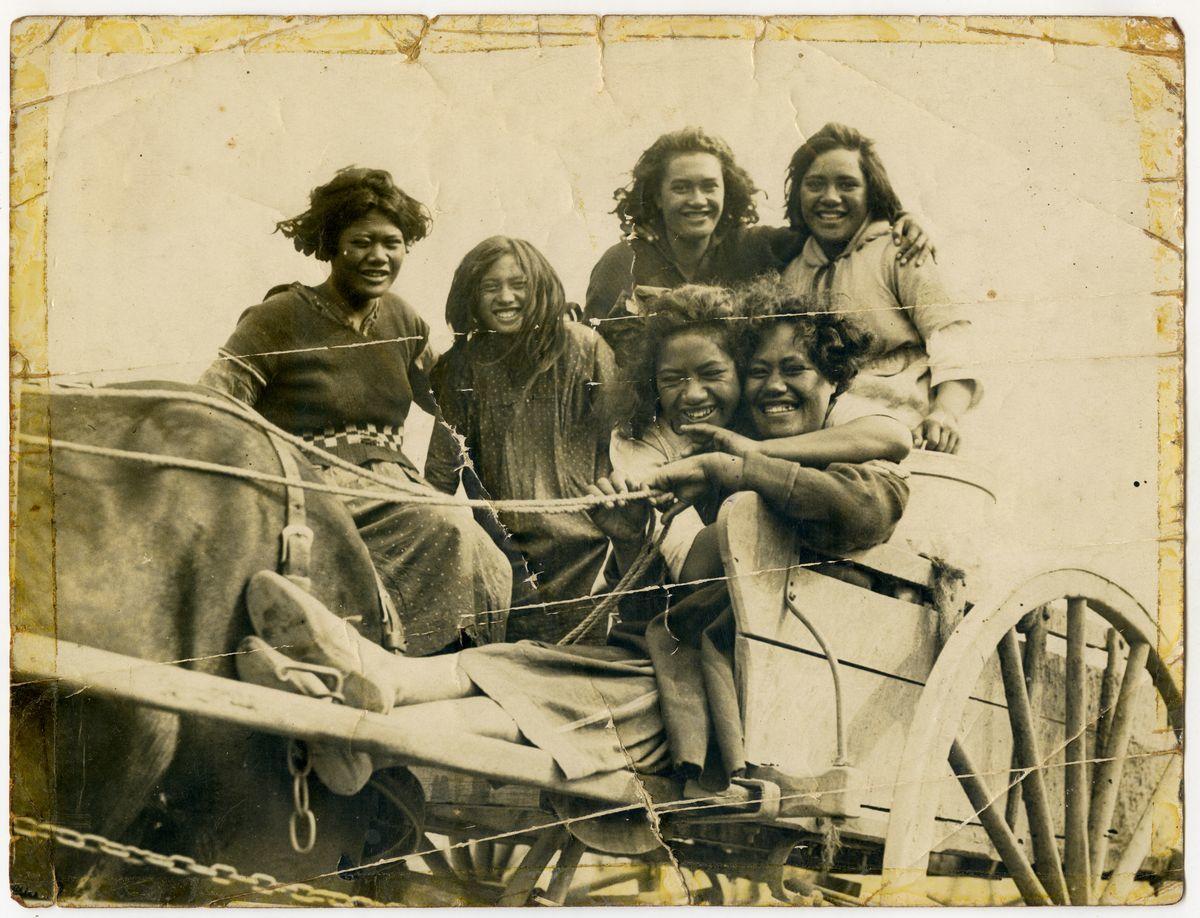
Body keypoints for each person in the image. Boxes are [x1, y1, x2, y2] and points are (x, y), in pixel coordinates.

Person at [235, 289, 909, 792]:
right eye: (759, 371)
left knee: (575, 697)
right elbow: (659, 618)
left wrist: (730, 469)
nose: (772, 385)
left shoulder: (853, 470)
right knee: (527, 662)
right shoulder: (731, 469)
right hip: (669, 671)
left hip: (738, 704)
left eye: (793, 369)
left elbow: (859, 509)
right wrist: (624, 540)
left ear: (835, 379)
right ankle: (372, 685)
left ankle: (371, 729)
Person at [198, 167, 511, 658]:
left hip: (392, 482)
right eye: (362, 242)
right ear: (330, 244)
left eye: (393, 243)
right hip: (312, 483)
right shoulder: (279, 315)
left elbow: (454, 399)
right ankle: (409, 668)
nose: (379, 257)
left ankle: (461, 677)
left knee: (495, 562)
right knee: (444, 525)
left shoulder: (403, 318)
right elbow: (213, 403)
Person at [584, 127, 934, 365]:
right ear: (657, 197)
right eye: (681, 188)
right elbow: (595, 357)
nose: (698, 200)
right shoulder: (622, 261)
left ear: (727, 191)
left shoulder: (755, 246)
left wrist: (900, 217)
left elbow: (831, 224)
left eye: (709, 186)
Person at [423, 237, 625, 642]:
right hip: (509, 558)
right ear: (471, 296)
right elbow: (440, 477)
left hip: (590, 551)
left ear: (542, 289)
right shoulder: (460, 368)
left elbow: (623, 438)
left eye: (519, 284)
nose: (506, 297)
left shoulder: (583, 347)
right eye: (489, 286)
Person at [781, 123, 980, 453]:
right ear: (798, 192)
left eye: (847, 185)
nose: (829, 198)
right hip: (816, 439)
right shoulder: (792, 272)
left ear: (870, 192)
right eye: (815, 184)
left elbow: (953, 343)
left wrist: (945, 413)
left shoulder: (901, 251)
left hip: (897, 429)